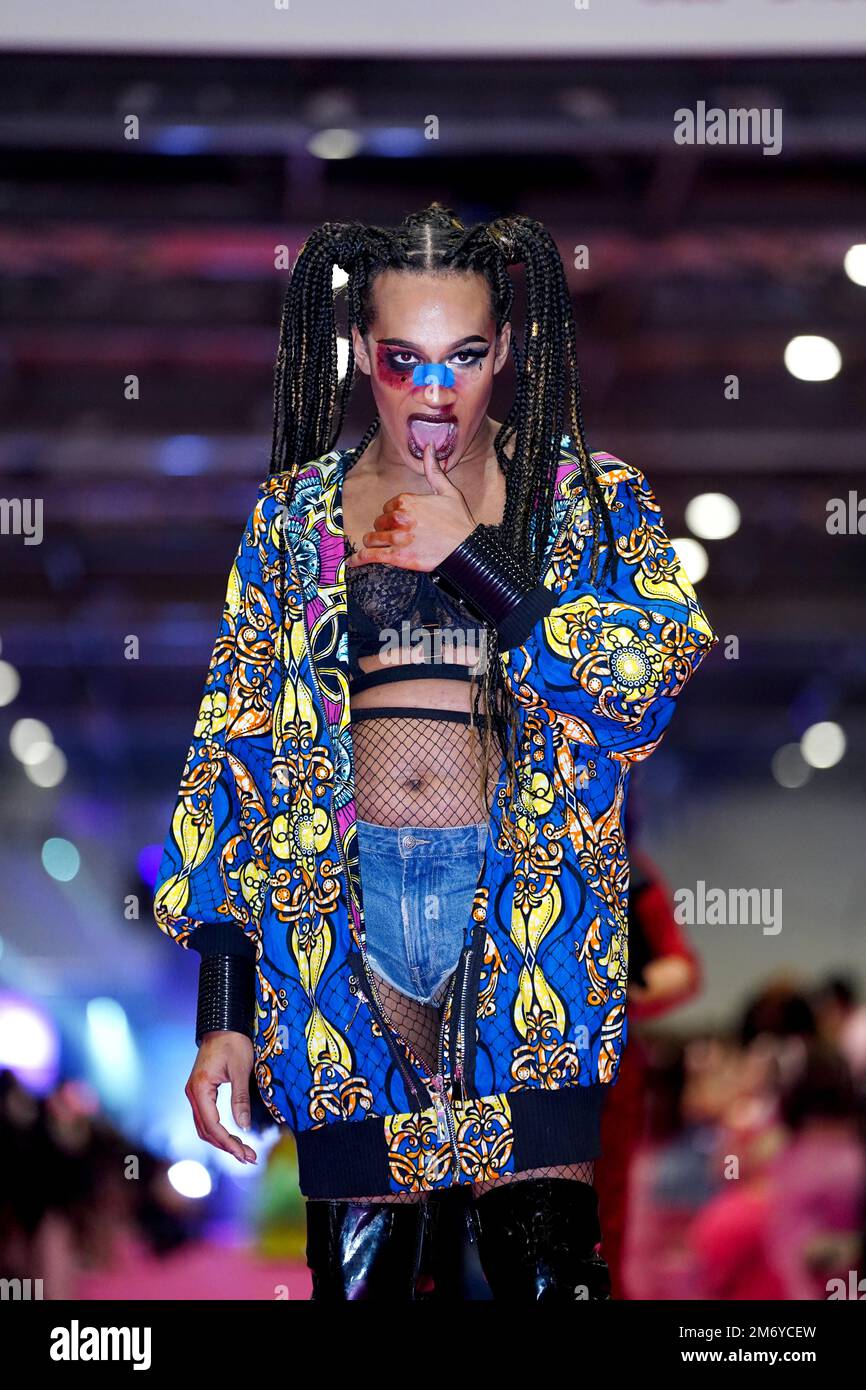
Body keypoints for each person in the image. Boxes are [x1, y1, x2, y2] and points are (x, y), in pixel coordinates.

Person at [152, 202, 718, 1301]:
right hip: (334, 929)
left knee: (543, 1271)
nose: (433, 392)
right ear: (362, 352)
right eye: (403, 359)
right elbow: (228, 752)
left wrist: (478, 563)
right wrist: (222, 1017)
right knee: (366, 1283)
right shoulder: (292, 518)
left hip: (526, 913)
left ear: (504, 347)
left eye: (462, 357)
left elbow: (646, 684)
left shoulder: (581, 498)